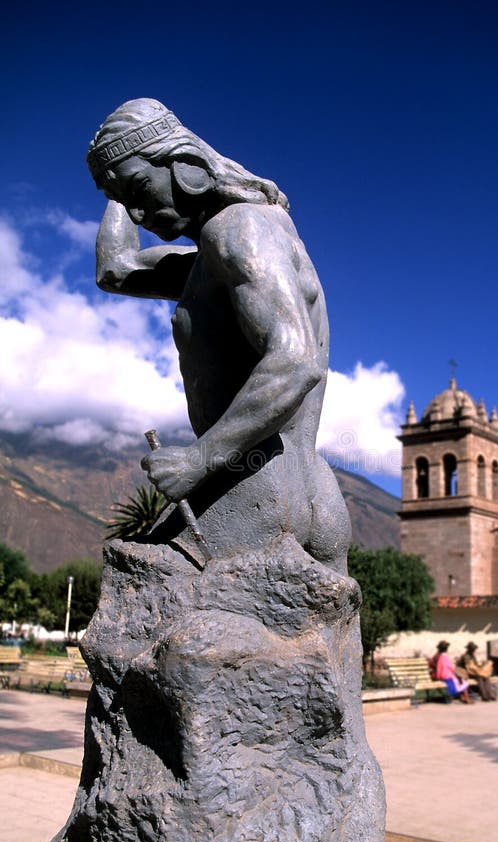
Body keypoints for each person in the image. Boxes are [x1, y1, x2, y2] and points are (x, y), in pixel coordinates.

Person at [87, 99, 351, 573]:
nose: (139, 214)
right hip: (315, 494)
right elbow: (117, 270)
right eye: (129, 202)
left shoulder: (237, 230)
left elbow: (295, 361)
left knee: (148, 601)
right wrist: (116, 183)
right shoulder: (225, 250)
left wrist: (198, 460)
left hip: (251, 485)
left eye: (142, 189)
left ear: (184, 164)